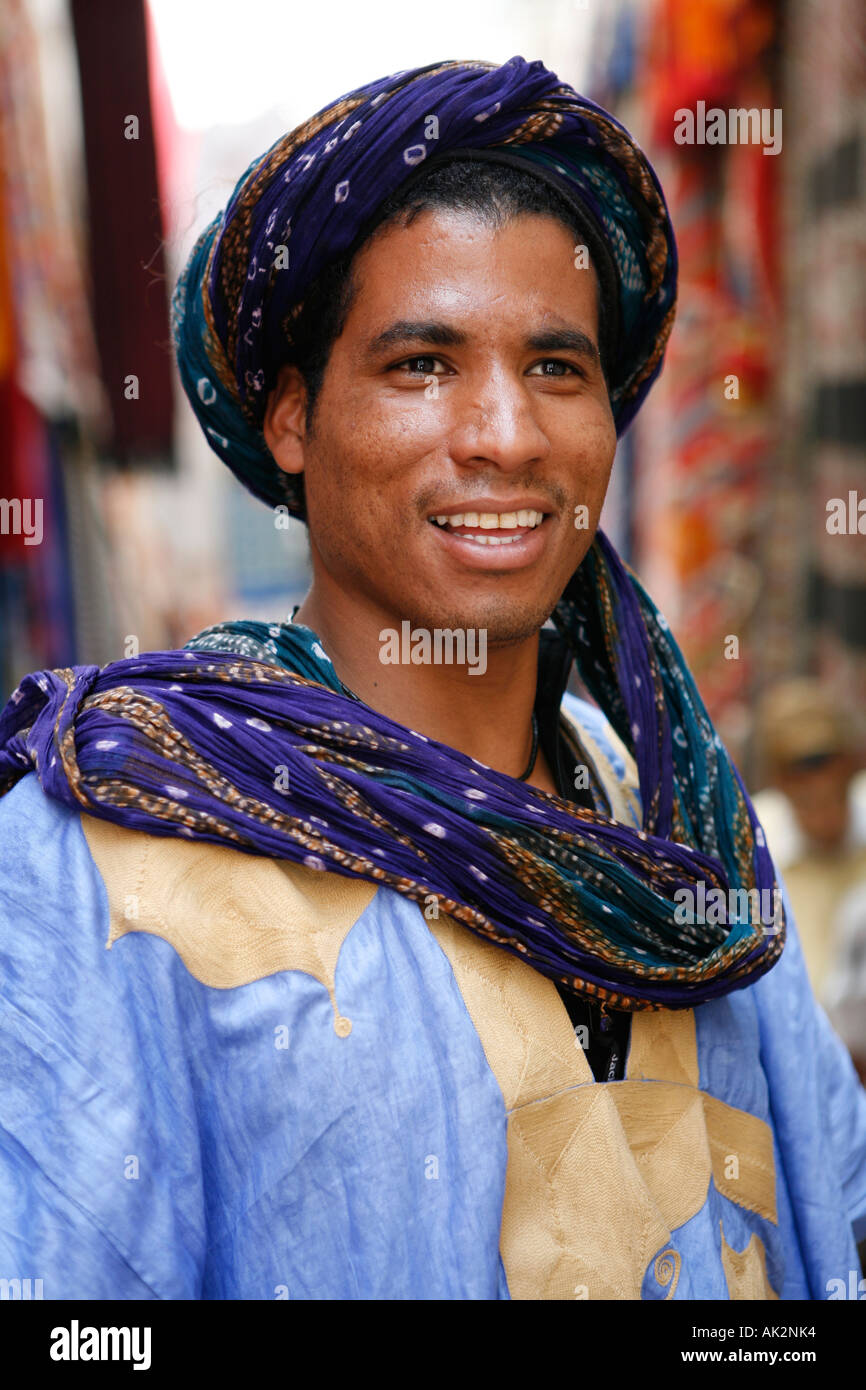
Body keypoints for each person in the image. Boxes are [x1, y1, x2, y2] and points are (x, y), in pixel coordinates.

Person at [1, 56, 865, 1302]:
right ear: (292, 418)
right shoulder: (106, 848)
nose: (505, 434)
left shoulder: (677, 831)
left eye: (557, 369)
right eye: (422, 364)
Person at [752, 678, 866, 999]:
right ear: (778, 780)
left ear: (851, 763)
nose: (816, 782)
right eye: (798, 768)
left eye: (824, 761)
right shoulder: (758, 846)